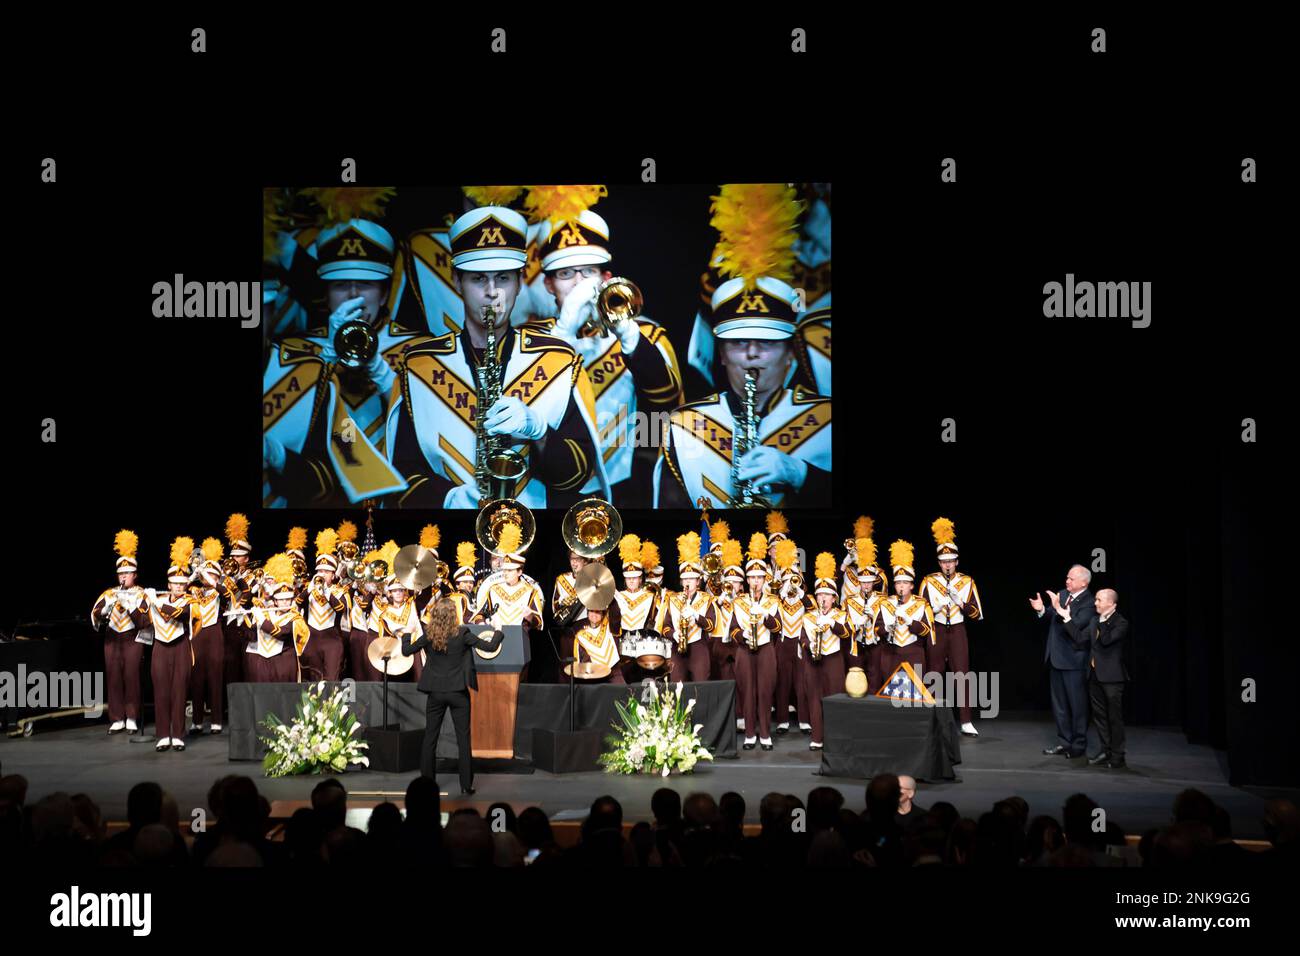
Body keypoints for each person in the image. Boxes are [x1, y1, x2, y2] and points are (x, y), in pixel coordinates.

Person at [383, 204, 610, 509]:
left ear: (519, 282)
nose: (492, 292)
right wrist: (448, 498)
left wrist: (540, 432)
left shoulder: (560, 359)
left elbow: (578, 476)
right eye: (478, 279)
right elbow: (399, 476)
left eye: (503, 278)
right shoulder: (417, 366)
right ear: (456, 280)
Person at [655, 186, 831, 509]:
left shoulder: (827, 420)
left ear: (791, 352)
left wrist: (802, 475)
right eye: (738, 343)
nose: (752, 353)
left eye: (767, 342)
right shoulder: (684, 425)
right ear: (720, 354)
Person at [523, 189, 683, 505]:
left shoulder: (645, 333)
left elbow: (666, 400)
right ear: (548, 284)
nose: (580, 284)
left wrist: (629, 336)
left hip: (623, 489)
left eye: (589, 272)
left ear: (606, 277)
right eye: (566, 274)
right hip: (550, 491)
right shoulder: (528, 339)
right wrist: (564, 333)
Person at [403, 597, 505, 794]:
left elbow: (407, 651)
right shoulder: (462, 633)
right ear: (453, 615)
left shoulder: (429, 635)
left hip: (435, 693)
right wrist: (498, 629)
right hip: (458, 693)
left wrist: (407, 632)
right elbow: (490, 647)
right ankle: (466, 785)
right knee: (463, 739)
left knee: (430, 738)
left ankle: (426, 785)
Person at [919, 518, 984, 736]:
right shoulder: (928, 581)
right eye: (943, 561)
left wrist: (960, 603)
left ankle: (965, 721)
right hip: (936, 629)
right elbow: (920, 612)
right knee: (933, 673)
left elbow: (977, 613)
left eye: (951, 560)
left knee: (962, 674)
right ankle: (932, 718)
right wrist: (934, 608)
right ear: (939, 562)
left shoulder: (967, 581)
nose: (947, 564)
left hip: (957, 630)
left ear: (957, 561)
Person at [1029, 565, 1098, 759]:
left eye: (1072, 579)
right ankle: (1064, 742)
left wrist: (1060, 610)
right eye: (1067, 578)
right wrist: (1042, 609)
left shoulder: (1090, 602)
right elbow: (1051, 616)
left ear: (1084, 582)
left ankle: (1078, 745)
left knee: (1077, 706)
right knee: (1059, 706)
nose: (1067, 581)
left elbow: (1076, 627)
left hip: (1074, 661)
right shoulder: (1062, 594)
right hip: (1056, 659)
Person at [1059, 587, 1129, 768]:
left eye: (1099, 600)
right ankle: (1105, 751)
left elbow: (1106, 641)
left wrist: (1102, 621)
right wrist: (1066, 618)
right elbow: (1080, 639)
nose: (1095, 603)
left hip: (1112, 678)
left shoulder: (1120, 623)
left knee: (1114, 717)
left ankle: (1118, 755)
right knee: (1100, 717)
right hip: (1094, 676)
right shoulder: (1094, 621)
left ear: (1112, 604)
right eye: (1095, 599)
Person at [89, 530, 148, 735]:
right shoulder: (109, 593)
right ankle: (116, 718)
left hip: (132, 637)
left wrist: (128, 604)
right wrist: (104, 610)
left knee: (131, 676)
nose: (123, 576)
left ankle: (132, 716)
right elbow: (95, 613)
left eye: (127, 573)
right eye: (121, 573)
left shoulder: (141, 593)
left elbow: (144, 619)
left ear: (134, 575)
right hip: (113, 638)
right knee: (113, 676)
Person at [144, 538, 198, 752]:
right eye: (174, 584)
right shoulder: (157, 599)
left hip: (180, 647)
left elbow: (179, 614)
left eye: (181, 584)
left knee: (179, 691)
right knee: (161, 691)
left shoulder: (190, 602)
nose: (177, 587)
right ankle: (163, 735)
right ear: (168, 585)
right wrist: (139, 601)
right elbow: (142, 621)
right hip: (159, 648)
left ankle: (178, 735)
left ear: (185, 585)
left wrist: (156, 602)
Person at [729, 534, 781, 750]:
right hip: (744, 650)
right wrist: (743, 636)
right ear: (747, 580)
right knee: (747, 691)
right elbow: (732, 630)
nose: (756, 581)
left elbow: (778, 627)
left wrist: (766, 617)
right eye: (752, 577)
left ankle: (765, 734)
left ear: (764, 580)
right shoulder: (739, 601)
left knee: (765, 690)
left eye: (760, 577)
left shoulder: (772, 600)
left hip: (766, 649)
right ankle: (750, 734)